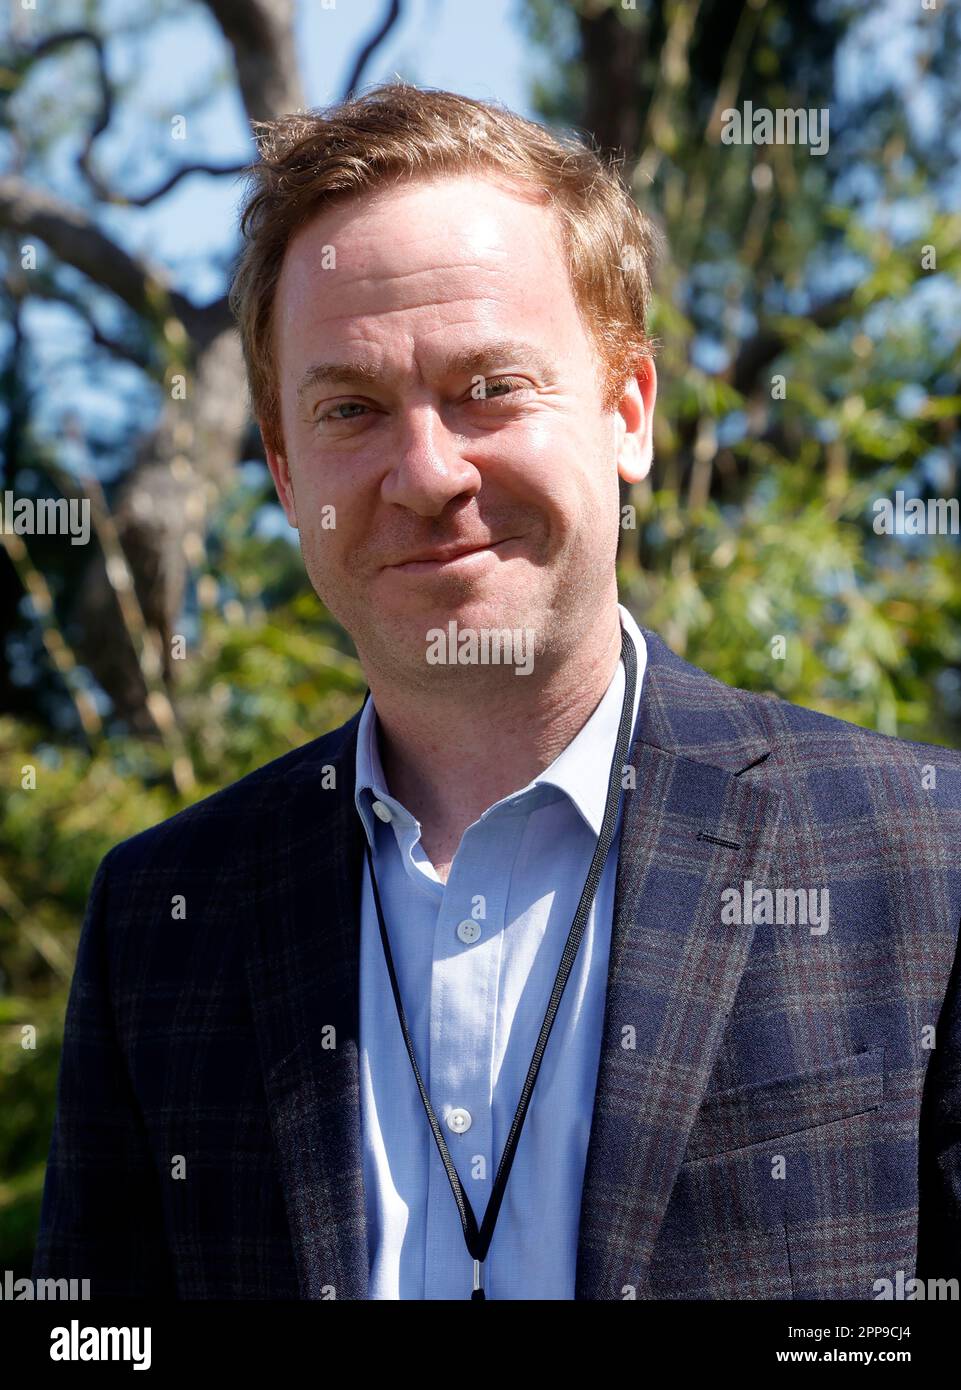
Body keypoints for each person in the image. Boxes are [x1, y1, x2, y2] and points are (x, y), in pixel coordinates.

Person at [33, 83, 961, 1301]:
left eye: (489, 388)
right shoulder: (165, 915)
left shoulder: (926, 856)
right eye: (350, 408)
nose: (424, 472)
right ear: (280, 463)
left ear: (628, 409)